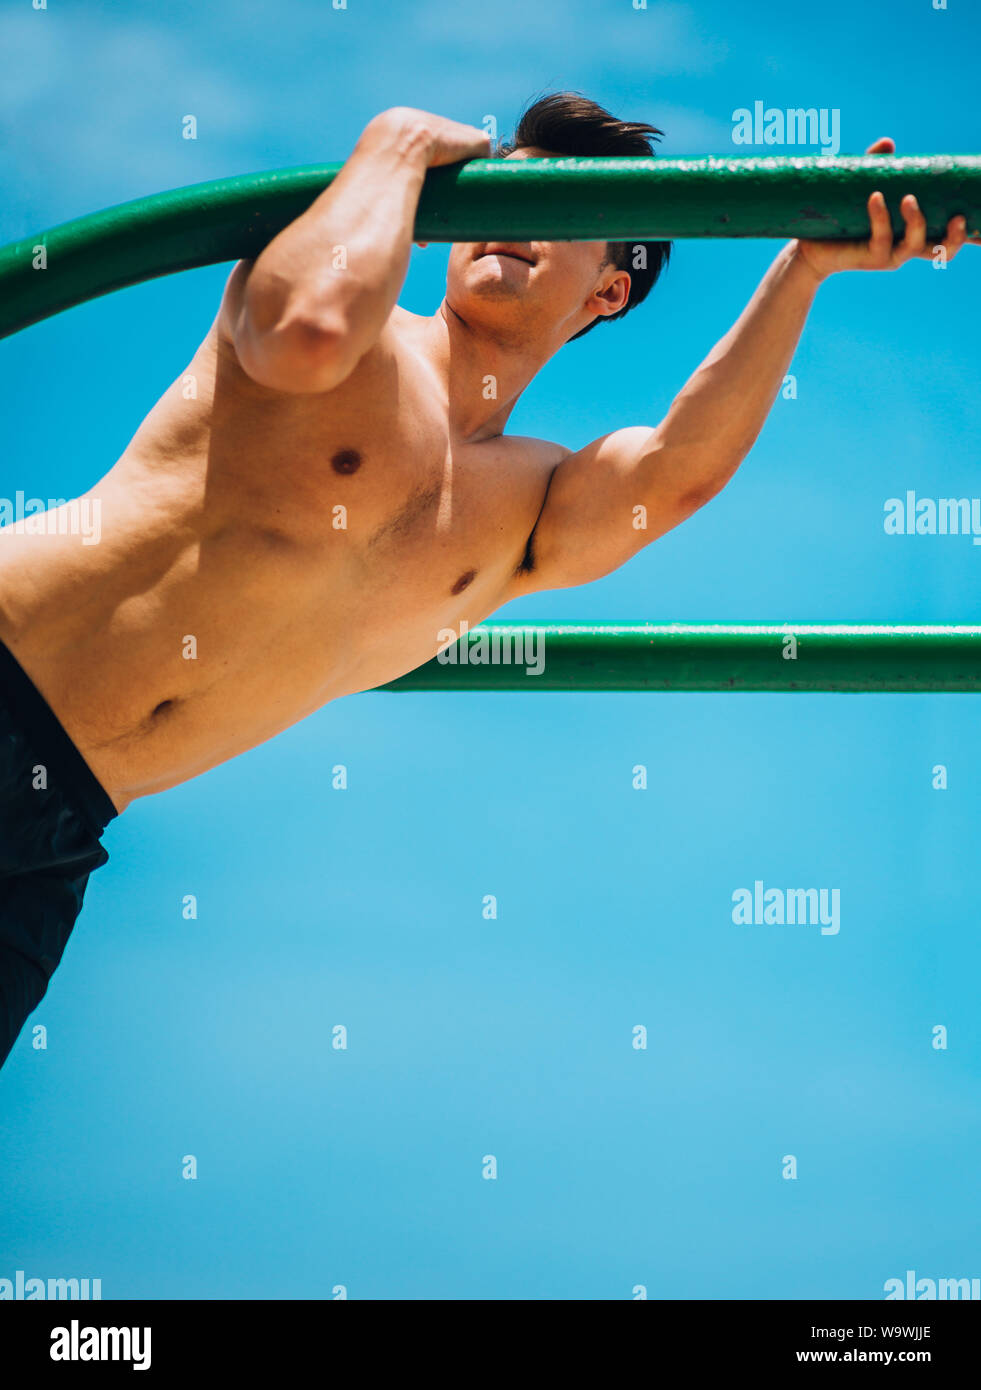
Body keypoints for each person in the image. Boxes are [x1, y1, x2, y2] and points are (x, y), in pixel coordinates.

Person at [0, 93, 975, 1066]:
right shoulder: (346, 308)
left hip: (60, 832)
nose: (514, 211)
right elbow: (309, 330)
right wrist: (395, 144)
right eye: (506, 184)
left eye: (560, 206)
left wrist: (804, 268)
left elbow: (678, 474)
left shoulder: (528, 510)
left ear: (609, 289)